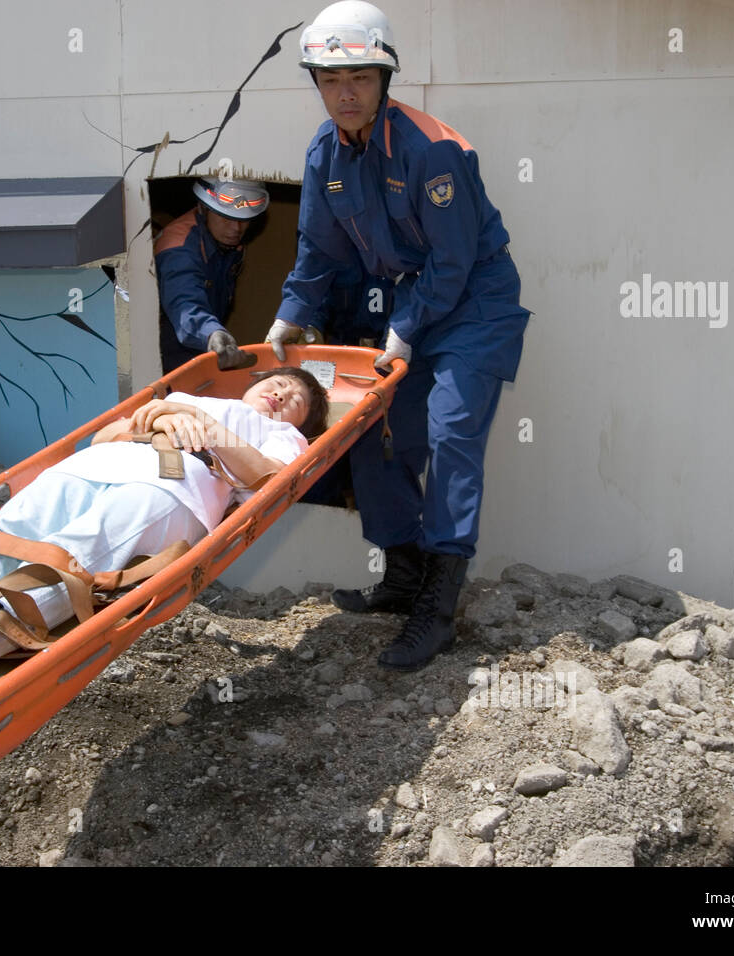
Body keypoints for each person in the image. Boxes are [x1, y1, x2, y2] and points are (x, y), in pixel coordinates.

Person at [266, 1, 530, 671]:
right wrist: (289, 313)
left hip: (472, 305)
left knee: (450, 435)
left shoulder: (430, 150)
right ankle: (404, 577)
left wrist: (405, 330)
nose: (344, 93)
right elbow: (318, 252)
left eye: (358, 77)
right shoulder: (326, 152)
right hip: (413, 304)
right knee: (372, 435)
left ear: (384, 77)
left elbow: (454, 260)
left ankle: (437, 611)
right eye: (330, 80)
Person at [0, 368, 328, 631]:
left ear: (301, 423)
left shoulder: (282, 435)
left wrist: (207, 427)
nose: (282, 394)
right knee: (11, 530)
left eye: (296, 401)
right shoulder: (186, 398)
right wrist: (166, 417)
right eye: (279, 383)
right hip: (95, 464)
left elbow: (270, 481)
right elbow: (101, 437)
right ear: (255, 384)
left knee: (80, 552)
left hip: (174, 485)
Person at [157, 177, 270, 373]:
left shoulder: (229, 243)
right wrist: (211, 333)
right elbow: (185, 303)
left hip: (203, 346)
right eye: (226, 218)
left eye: (244, 220)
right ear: (203, 208)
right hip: (168, 352)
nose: (236, 229)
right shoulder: (178, 249)